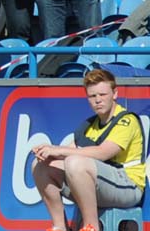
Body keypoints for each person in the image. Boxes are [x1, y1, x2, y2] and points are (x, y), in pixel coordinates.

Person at [32, 68, 145, 231]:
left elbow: (103, 153)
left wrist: (57, 150)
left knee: (76, 163)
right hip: (102, 184)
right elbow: (69, 150)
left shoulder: (126, 120)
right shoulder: (89, 125)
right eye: (93, 96)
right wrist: (47, 151)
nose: (98, 100)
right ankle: (59, 227)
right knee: (41, 165)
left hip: (129, 186)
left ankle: (90, 226)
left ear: (115, 94)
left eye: (103, 95)